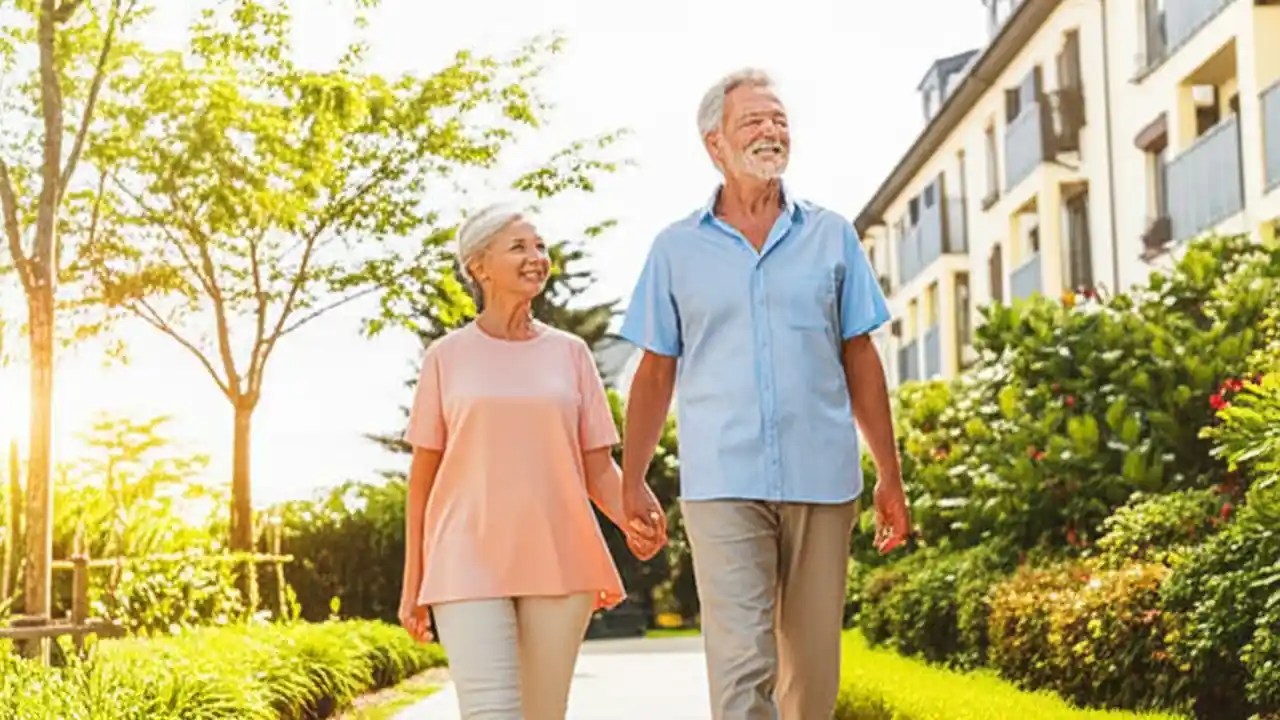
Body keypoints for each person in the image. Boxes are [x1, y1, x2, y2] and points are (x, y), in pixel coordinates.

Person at [618, 68, 912, 720]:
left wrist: (889, 474)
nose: (771, 131)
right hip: (722, 480)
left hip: (822, 477)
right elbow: (655, 370)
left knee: (810, 675)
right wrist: (632, 478)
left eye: (779, 120)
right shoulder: (675, 249)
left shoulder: (831, 236)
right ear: (714, 144)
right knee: (742, 660)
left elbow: (860, 358)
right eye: (753, 120)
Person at [397, 202, 668, 720]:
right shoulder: (446, 358)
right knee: (489, 712)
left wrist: (634, 515)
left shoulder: (570, 354)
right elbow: (422, 483)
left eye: (540, 246)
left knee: (544, 713)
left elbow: (597, 467)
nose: (537, 257)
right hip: (464, 556)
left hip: (557, 555)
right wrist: (414, 585)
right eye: (519, 247)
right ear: (478, 266)